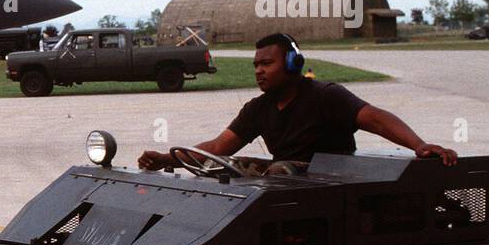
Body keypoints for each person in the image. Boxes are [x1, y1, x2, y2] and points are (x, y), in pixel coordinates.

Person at [138, 32, 457, 173]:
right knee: (229, 170)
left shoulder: (325, 96)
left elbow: (375, 118)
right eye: (256, 65)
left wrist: (420, 145)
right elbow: (221, 147)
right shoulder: (258, 109)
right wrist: (170, 158)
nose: (259, 71)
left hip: (330, 186)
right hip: (284, 187)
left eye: (267, 63)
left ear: (292, 65)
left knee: (279, 170)